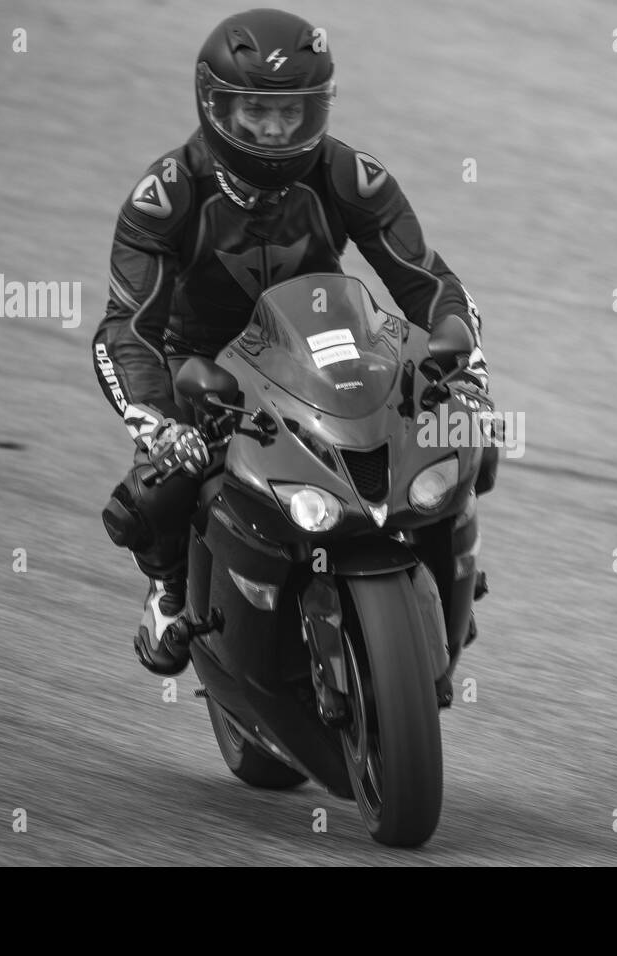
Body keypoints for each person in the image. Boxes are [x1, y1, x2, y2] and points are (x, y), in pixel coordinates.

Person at [91, 8, 492, 676]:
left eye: (293, 113)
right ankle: (166, 590)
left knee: (464, 426)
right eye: (257, 112)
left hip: (330, 347)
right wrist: (158, 420)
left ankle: (451, 570)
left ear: (321, 109)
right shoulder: (166, 197)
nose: (276, 131)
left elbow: (428, 280)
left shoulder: (347, 174)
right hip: (207, 369)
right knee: (159, 489)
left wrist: (465, 361)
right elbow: (124, 328)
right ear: (216, 106)